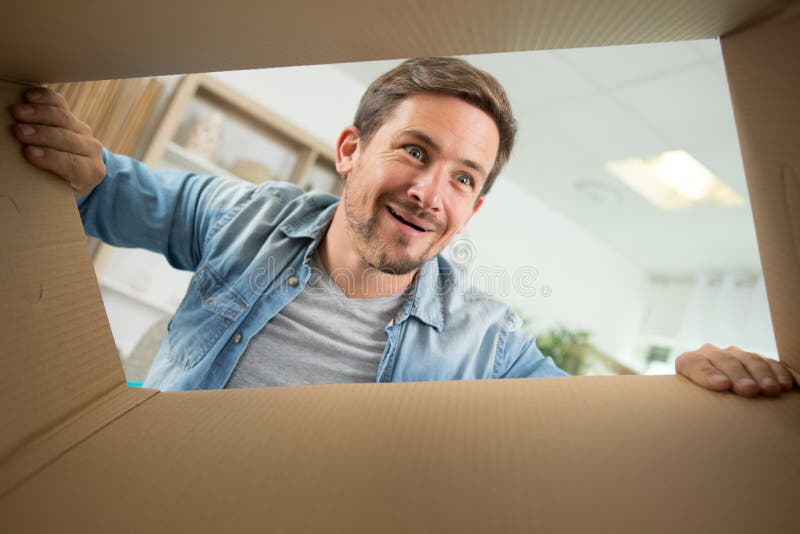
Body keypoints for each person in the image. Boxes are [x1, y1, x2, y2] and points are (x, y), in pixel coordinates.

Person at [9, 57, 795, 396]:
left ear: (474, 209)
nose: (429, 191)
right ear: (351, 150)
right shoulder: (247, 216)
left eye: (462, 177)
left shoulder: (488, 343)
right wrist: (83, 164)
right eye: (414, 151)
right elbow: (127, 193)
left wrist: (684, 388)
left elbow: (589, 424)